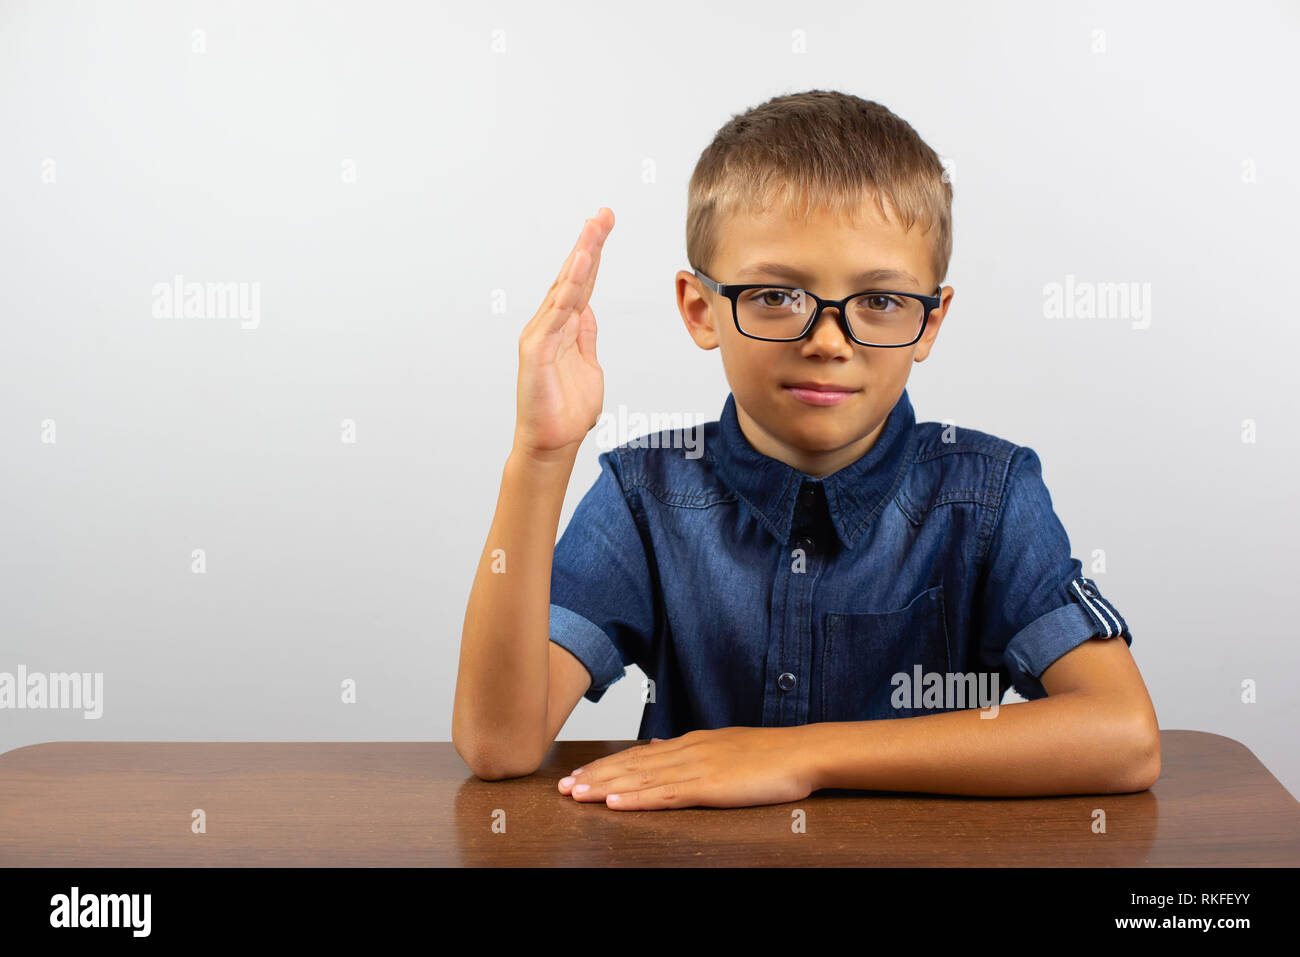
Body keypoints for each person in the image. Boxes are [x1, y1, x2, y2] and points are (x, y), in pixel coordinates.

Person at [452, 89, 1160, 809]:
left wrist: (798, 754)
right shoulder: (645, 496)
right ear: (702, 309)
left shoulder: (990, 496)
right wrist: (541, 455)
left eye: (880, 302)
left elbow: (1123, 733)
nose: (827, 340)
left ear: (930, 322)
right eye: (776, 295)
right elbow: (499, 745)